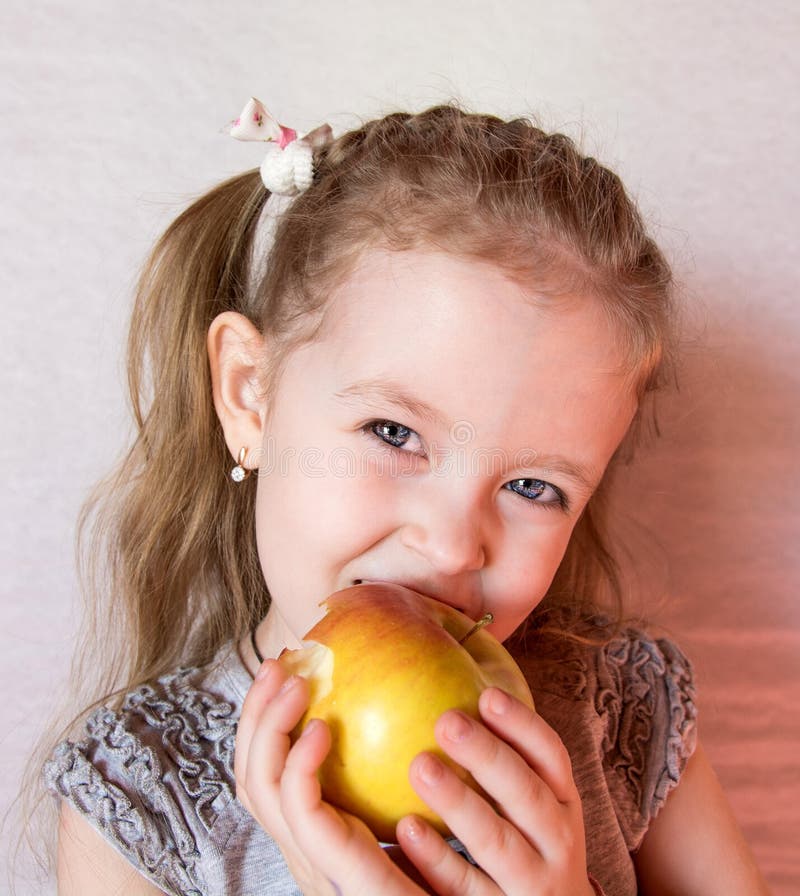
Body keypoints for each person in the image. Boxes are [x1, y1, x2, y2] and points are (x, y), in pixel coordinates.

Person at [43, 98, 770, 895]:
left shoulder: (620, 713)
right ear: (251, 395)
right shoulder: (141, 793)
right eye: (394, 434)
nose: (456, 544)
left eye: (534, 487)